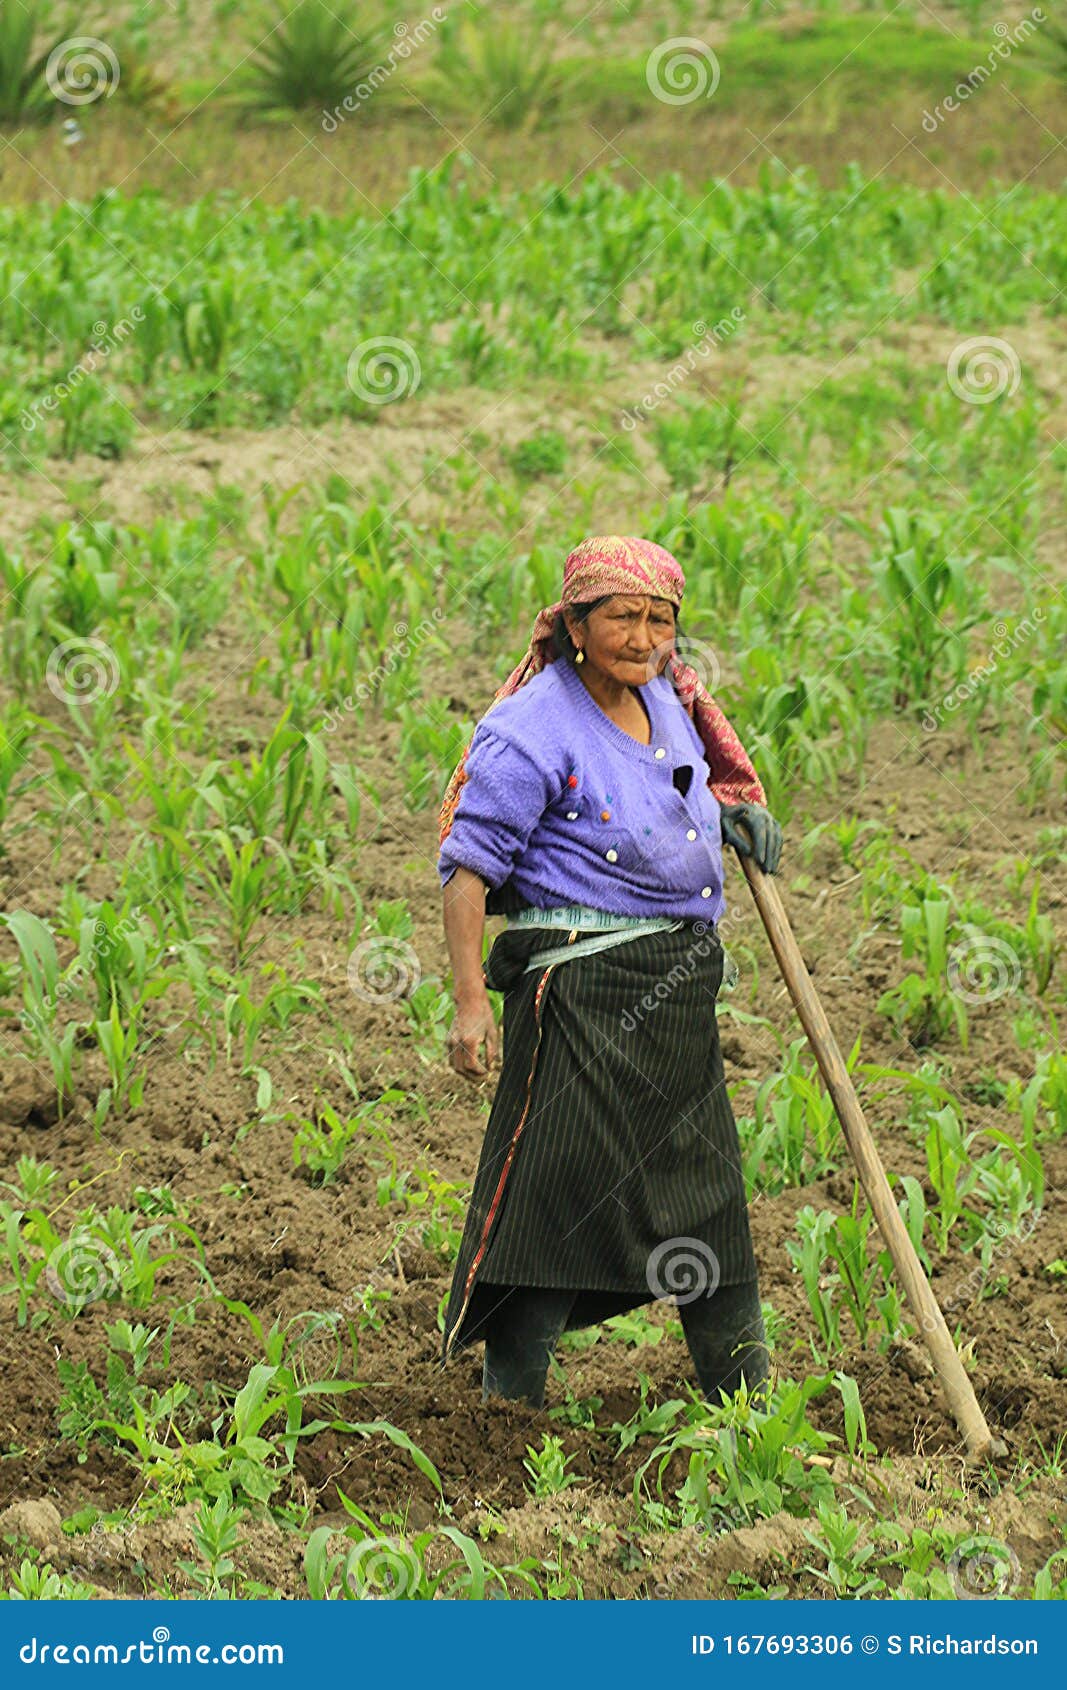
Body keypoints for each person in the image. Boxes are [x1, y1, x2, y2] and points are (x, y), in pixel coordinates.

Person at [434, 535, 782, 1413]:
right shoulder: (532, 727)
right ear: (576, 625)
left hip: (674, 997)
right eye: (621, 616)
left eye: (658, 619)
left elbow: (691, 793)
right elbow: (467, 872)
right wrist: (472, 1003)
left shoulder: (667, 702)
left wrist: (732, 815)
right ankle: (506, 1419)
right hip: (580, 993)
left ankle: (743, 1415)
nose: (641, 635)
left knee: (706, 1202)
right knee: (554, 1202)